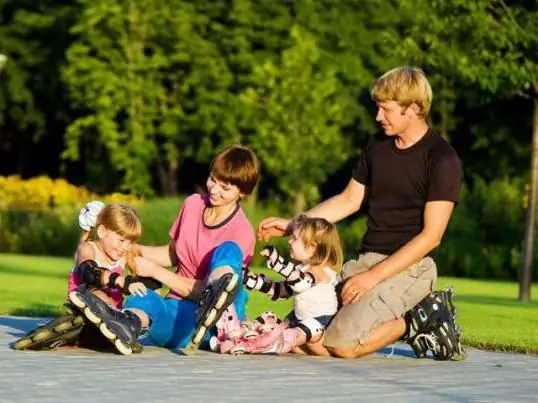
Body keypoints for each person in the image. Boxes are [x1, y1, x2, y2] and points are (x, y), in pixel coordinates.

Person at [258, 66, 465, 360]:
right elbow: (348, 200)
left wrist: (372, 278)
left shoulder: (441, 158)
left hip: (410, 269)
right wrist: (296, 225)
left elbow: (432, 237)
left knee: (340, 346)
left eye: (386, 109)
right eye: (378, 108)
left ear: (415, 108)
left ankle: (418, 319)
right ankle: (403, 317)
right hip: (366, 261)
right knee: (305, 333)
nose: (379, 117)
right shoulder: (377, 145)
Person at [67, 145, 260, 355]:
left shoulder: (242, 231)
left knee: (229, 250)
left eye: (225, 187)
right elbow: (173, 254)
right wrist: (133, 249)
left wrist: (156, 272)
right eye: (213, 179)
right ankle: (125, 326)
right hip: (180, 313)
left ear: (242, 191)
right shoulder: (193, 205)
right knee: (142, 298)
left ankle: (217, 291)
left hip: (220, 325)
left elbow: (180, 280)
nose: (214, 189)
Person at [14, 201, 153, 352]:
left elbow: (157, 262)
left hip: (114, 317)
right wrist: (121, 281)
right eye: (121, 240)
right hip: (85, 303)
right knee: (96, 294)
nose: (126, 247)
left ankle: (120, 328)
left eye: (131, 241)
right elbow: (89, 273)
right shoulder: (87, 248)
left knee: (145, 316)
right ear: (102, 232)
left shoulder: (125, 254)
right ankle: (102, 328)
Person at [211, 215, 343, 355]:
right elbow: (282, 291)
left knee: (291, 334)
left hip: (320, 323)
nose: (290, 241)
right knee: (269, 322)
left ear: (312, 247)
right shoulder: (302, 269)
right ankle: (235, 336)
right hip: (298, 318)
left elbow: (302, 283)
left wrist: (279, 264)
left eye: (295, 238)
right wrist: (253, 281)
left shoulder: (320, 271)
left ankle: (258, 345)